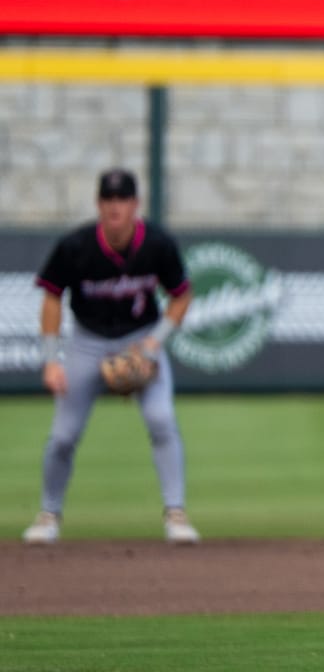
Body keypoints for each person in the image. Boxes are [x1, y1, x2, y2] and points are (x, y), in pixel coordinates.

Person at [21, 168, 201, 545]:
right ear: (99, 204)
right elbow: (52, 298)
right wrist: (52, 360)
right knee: (63, 436)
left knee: (161, 418)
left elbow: (182, 296)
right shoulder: (76, 246)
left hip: (140, 338)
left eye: (122, 200)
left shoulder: (157, 244)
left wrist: (154, 343)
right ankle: (48, 515)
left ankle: (176, 513)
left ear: (135, 204)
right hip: (87, 342)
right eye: (108, 200)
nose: (115, 207)